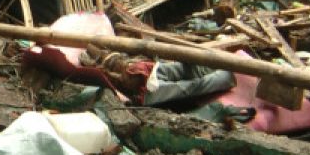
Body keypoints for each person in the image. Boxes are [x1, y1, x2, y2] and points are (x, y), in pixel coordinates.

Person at [83, 47, 235, 107]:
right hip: (146, 89)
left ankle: (223, 68)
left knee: (184, 71)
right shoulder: (108, 74)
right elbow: (123, 83)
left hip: (149, 71)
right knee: (189, 86)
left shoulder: (122, 63)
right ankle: (225, 76)